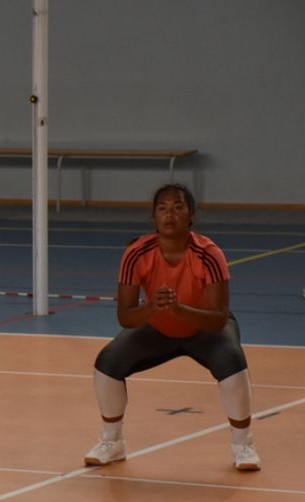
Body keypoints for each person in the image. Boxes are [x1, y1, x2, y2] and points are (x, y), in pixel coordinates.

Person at [84, 184, 261, 471]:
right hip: (158, 328)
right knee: (107, 362)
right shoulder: (136, 253)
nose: (170, 214)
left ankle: (243, 445)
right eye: (162, 208)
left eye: (178, 207)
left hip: (204, 329)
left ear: (191, 216)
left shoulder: (209, 254)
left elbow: (219, 318)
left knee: (233, 361)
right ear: (154, 216)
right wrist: (152, 308)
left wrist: (180, 310)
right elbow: (125, 317)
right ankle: (112, 441)